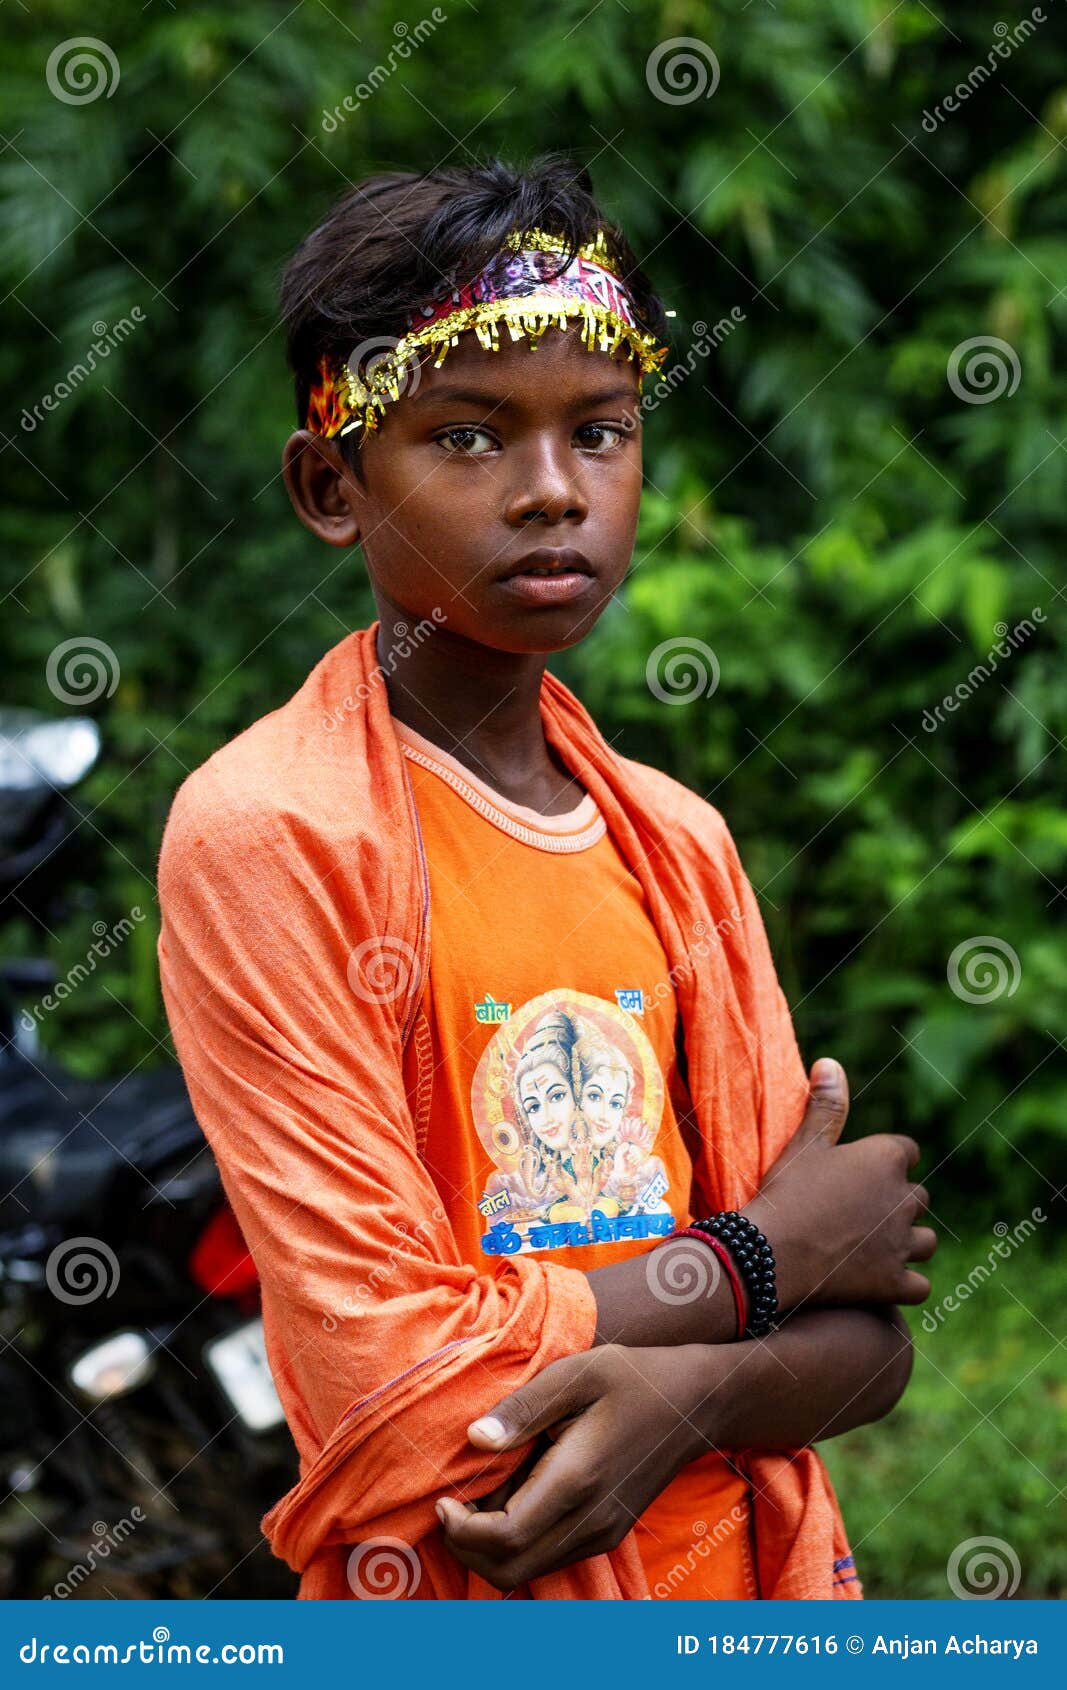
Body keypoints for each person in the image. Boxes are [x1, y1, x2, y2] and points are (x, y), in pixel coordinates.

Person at [156, 154, 937, 1602]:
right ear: (332, 485)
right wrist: (755, 1263)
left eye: (602, 430)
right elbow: (397, 1385)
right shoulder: (272, 832)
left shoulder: (677, 845)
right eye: (467, 437)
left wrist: (689, 1401)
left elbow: (871, 1344)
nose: (549, 493)